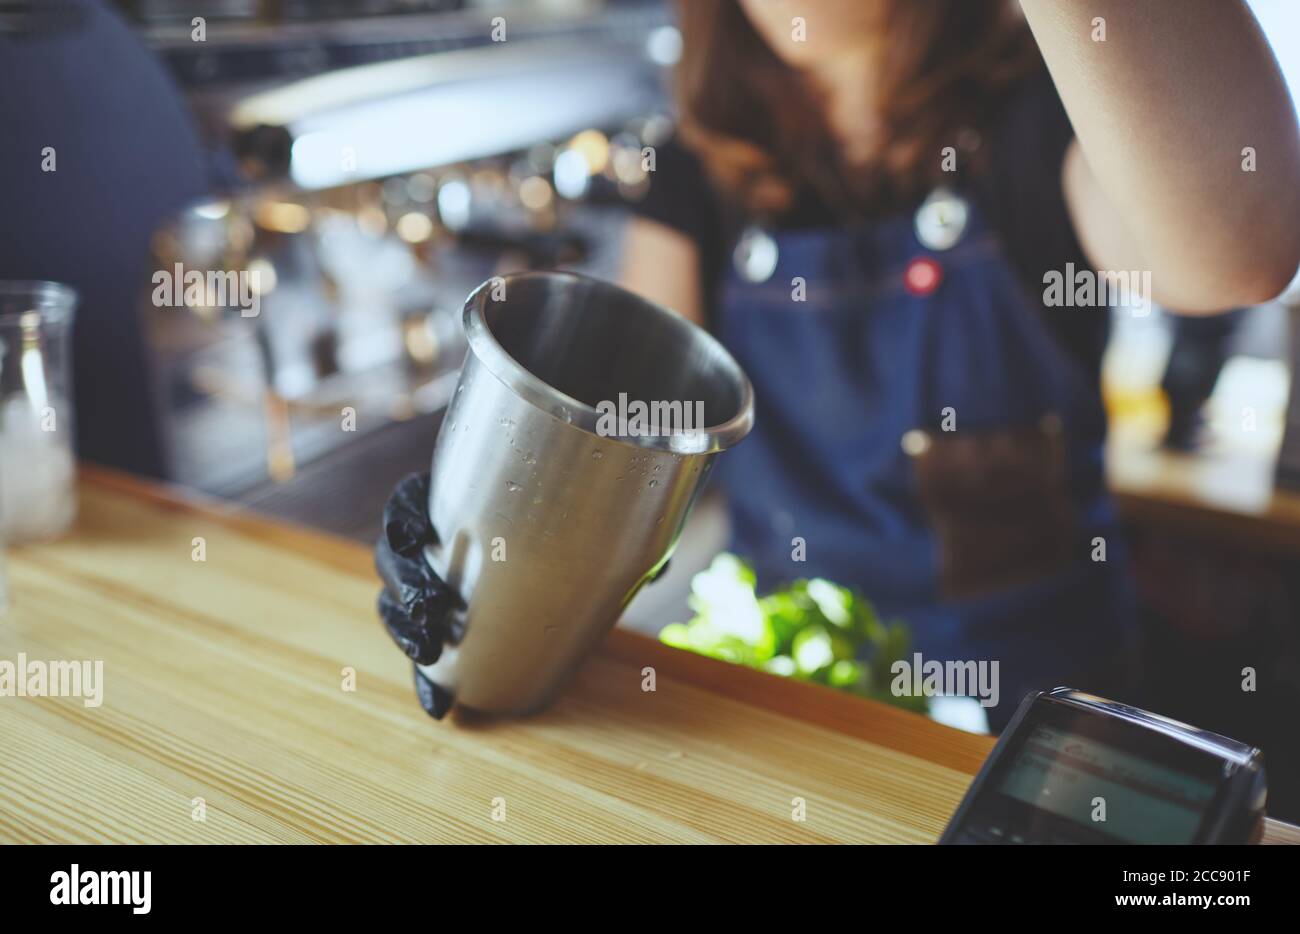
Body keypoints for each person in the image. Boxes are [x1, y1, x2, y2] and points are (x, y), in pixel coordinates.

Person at [376, 0, 1300, 727]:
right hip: (784, 698)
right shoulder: (697, 168)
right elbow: (613, 454)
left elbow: (1237, 251)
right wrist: (481, 572)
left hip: (1041, 714)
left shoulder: (1042, 118)